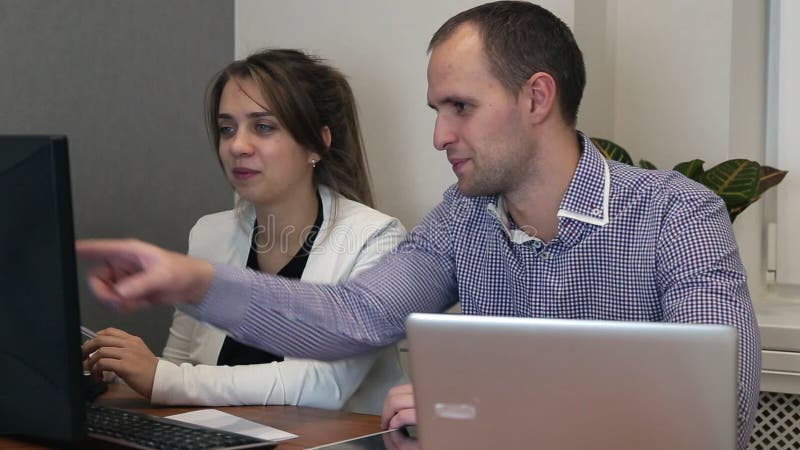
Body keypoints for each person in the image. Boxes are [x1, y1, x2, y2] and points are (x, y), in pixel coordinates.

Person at [77, 2, 760, 447]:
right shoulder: (462, 219)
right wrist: (195, 281)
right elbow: (348, 316)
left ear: (537, 97)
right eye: (437, 109)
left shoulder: (679, 215)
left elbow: (715, 408)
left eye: (459, 106)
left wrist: (475, 407)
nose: (439, 135)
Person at [81, 49, 408, 414]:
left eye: (263, 127)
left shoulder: (376, 239)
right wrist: (124, 370)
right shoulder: (209, 233)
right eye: (227, 129)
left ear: (317, 143)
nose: (237, 146)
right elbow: (178, 365)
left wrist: (161, 377)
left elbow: (322, 385)